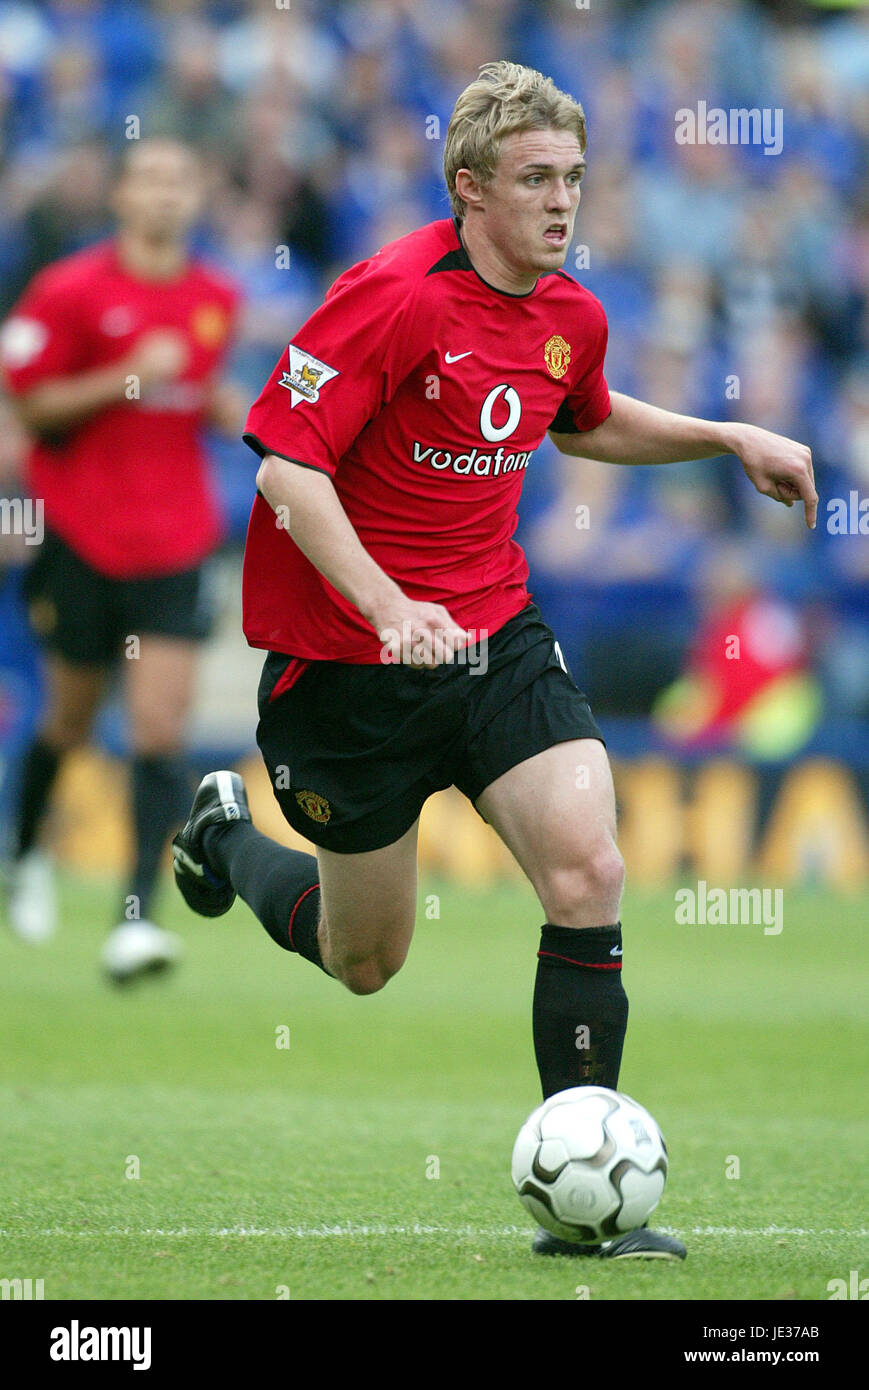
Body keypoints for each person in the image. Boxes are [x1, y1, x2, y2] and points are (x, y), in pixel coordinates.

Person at [172, 63, 816, 1258]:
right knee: (363, 960)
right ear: (467, 190)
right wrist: (384, 604)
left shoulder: (570, 312)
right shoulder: (389, 296)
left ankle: (585, 1207)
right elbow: (283, 466)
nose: (562, 204)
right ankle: (218, 835)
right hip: (348, 669)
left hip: (492, 634)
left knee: (587, 868)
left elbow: (581, 413)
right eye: (534, 181)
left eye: (573, 178)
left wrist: (725, 435)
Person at [1, 138, 242, 981]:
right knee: (68, 720)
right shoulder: (69, 291)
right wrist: (124, 378)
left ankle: (135, 919)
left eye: (182, 180)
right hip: (82, 536)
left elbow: (196, 398)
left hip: (175, 542)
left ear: (197, 198)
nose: (166, 194)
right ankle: (25, 852)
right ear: (121, 196)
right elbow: (30, 404)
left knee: (159, 729)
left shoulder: (216, 298)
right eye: (152, 179)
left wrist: (226, 411)